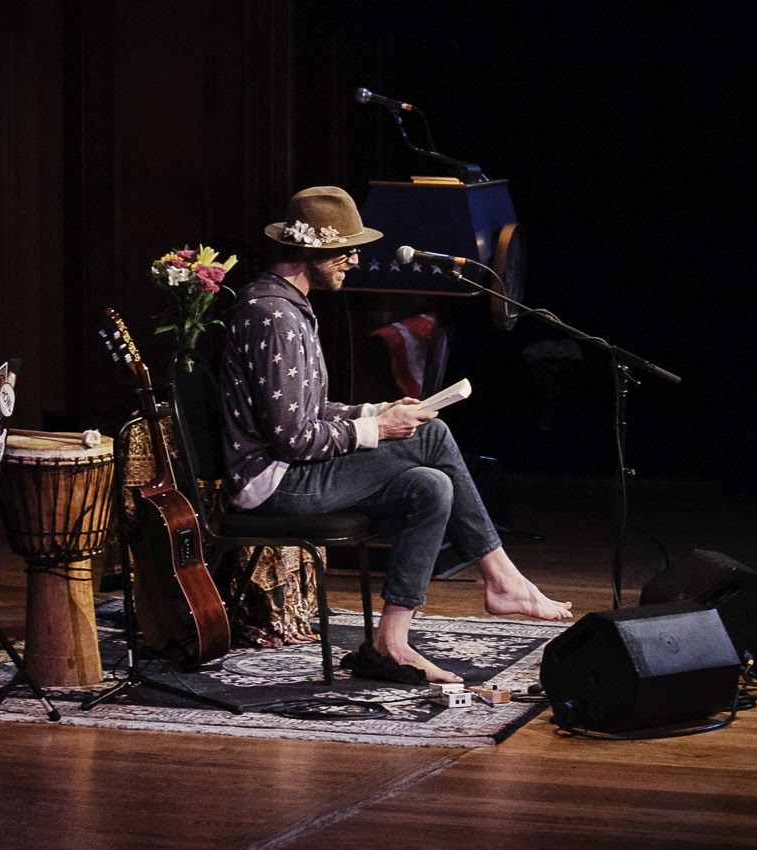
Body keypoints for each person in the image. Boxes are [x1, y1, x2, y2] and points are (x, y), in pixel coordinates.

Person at [219, 186, 572, 684]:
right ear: (314, 251)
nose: (355, 260)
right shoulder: (272, 314)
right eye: (346, 249)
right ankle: (501, 576)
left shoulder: (288, 306)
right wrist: (376, 429)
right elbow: (294, 439)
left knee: (433, 485)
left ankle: (391, 642)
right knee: (434, 437)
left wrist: (376, 408)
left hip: (296, 472)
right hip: (274, 485)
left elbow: (309, 410)